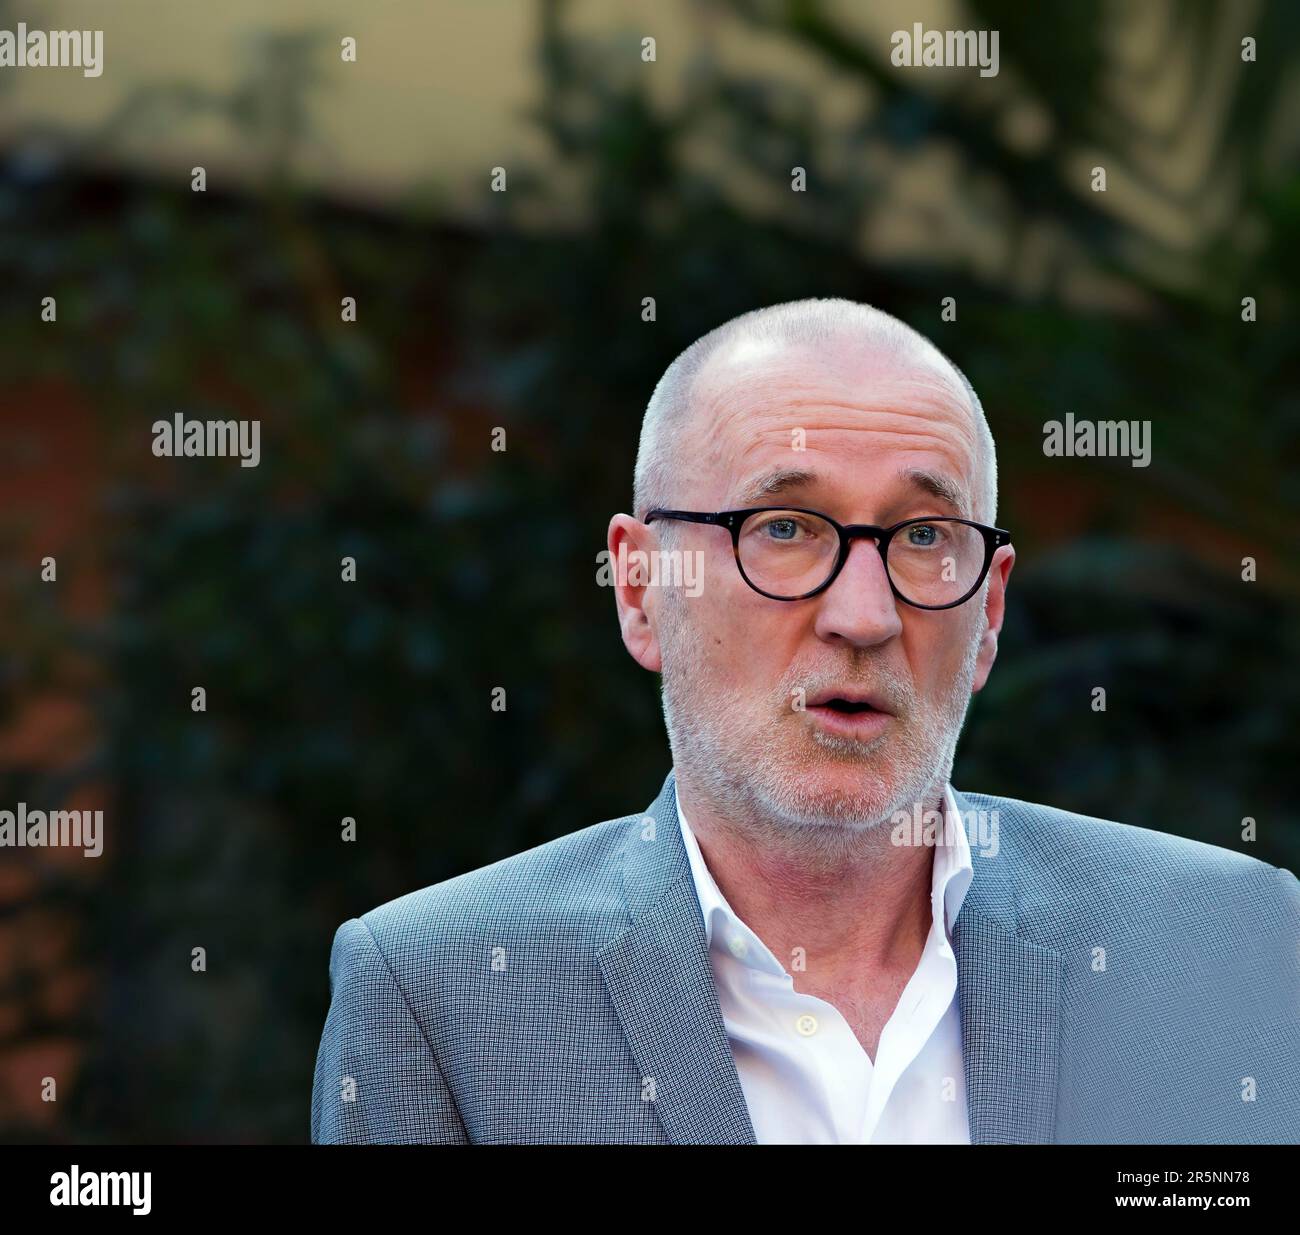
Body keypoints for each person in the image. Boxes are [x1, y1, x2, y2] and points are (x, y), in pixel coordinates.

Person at [311, 298, 1298, 1144]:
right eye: (782, 529)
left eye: (922, 536)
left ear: (989, 609)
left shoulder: (1219, 944)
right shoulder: (443, 995)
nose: (863, 614)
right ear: (641, 585)